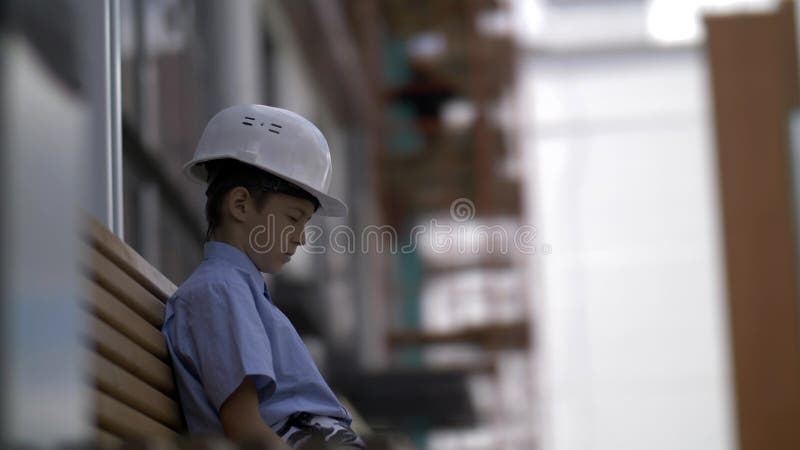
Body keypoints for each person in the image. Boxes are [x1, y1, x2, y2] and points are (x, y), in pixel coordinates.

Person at [161, 104, 364, 449]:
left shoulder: (237, 290)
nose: (301, 237)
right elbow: (244, 427)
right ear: (240, 205)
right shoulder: (219, 292)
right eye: (293, 218)